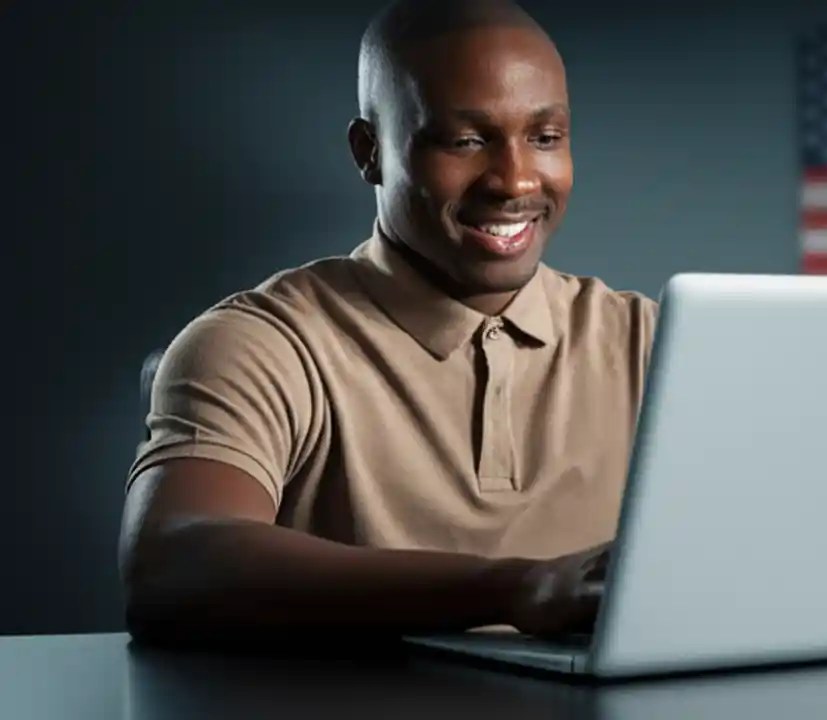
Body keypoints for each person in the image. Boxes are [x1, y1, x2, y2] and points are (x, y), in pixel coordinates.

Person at [119, 0, 657, 646]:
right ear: (369, 152)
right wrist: (517, 589)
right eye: (465, 141)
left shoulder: (652, 342)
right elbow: (171, 561)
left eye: (545, 138)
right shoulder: (259, 344)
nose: (515, 180)